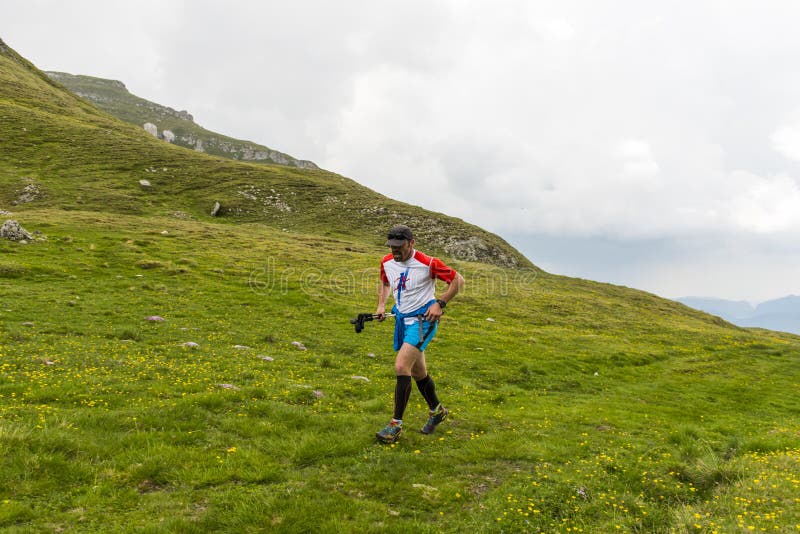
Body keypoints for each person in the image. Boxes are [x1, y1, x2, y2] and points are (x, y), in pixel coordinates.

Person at [374, 224, 465, 444]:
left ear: (411, 243)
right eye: (392, 246)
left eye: (400, 246)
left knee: (400, 366)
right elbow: (385, 282)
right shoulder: (387, 262)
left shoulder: (428, 263)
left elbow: (458, 280)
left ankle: (395, 425)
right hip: (402, 320)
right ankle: (437, 411)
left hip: (424, 321)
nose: (395, 251)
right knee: (418, 372)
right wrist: (380, 305)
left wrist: (440, 303)